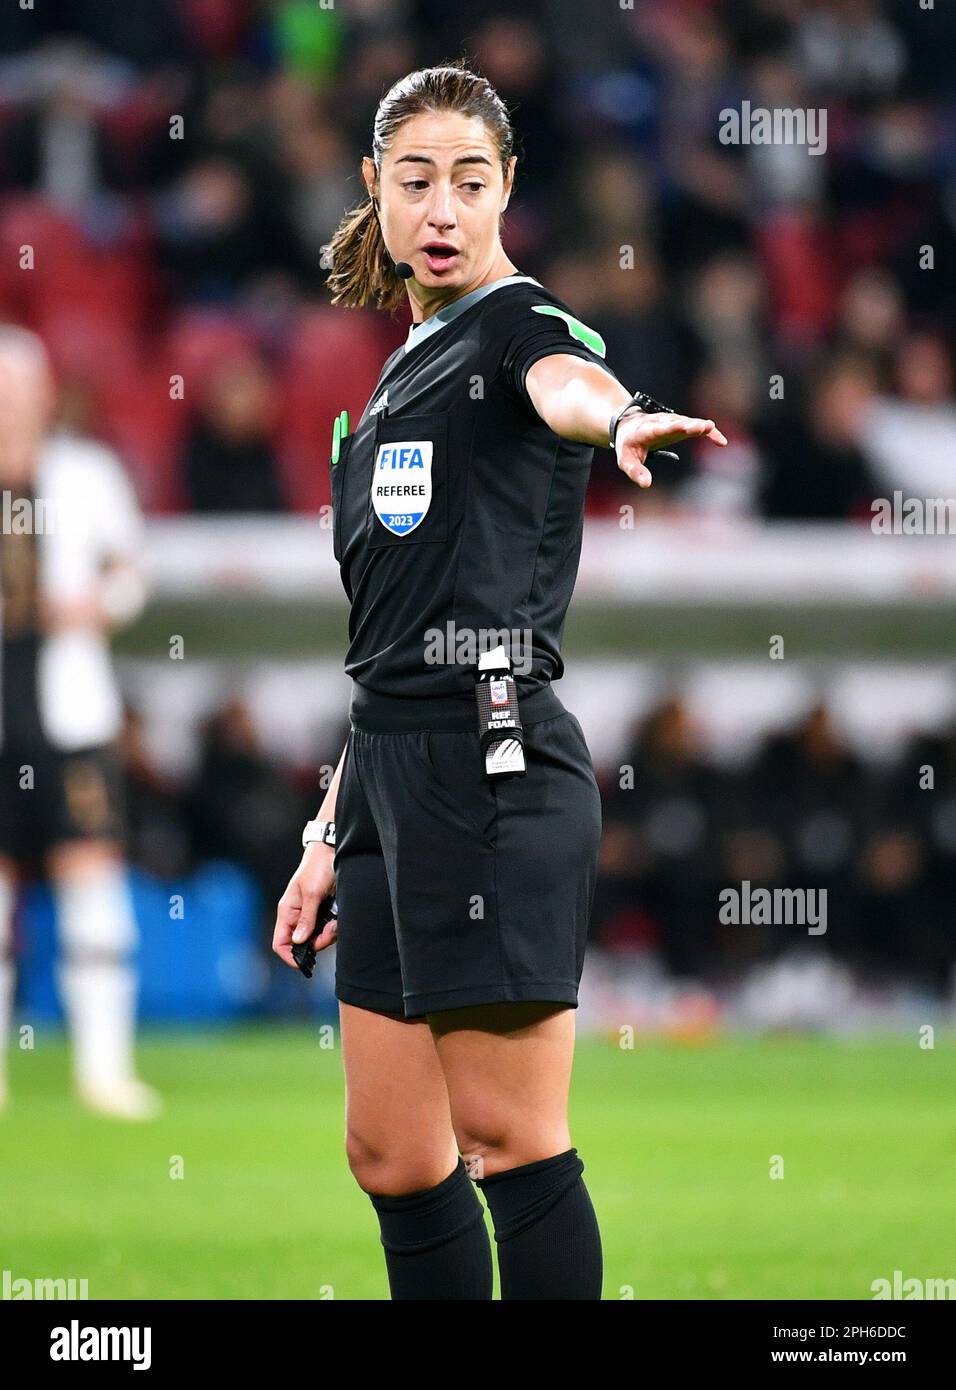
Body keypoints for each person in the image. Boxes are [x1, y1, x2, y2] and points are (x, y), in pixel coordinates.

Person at [272, 62, 726, 1300]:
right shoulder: (392, 380)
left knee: (506, 1143)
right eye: (413, 180)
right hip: (387, 777)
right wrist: (328, 830)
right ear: (372, 188)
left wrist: (619, 414)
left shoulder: (520, 329)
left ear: (505, 190)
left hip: (494, 761)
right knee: (391, 1154)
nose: (440, 208)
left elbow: (566, 387)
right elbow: (386, 641)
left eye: (468, 183)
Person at [0, 326, 161, 1121]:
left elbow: (131, 571)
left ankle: (105, 1068)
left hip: (71, 711)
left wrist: (95, 606)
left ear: (41, 394)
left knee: (91, 878)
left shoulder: (86, 474)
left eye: (17, 392)